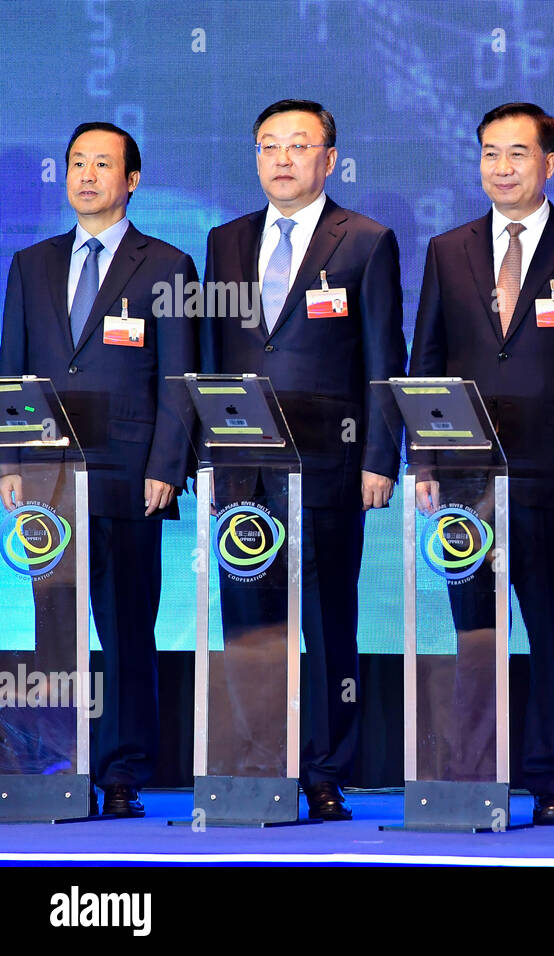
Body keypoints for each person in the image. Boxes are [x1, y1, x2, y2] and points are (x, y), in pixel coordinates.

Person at [410, 102, 554, 825]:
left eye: (516, 154)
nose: (500, 168)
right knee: (474, 633)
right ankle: (474, 773)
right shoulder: (449, 249)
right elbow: (428, 363)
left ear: (549, 164)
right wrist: (425, 462)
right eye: (489, 154)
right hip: (466, 480)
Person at [201, 99, 407, 820]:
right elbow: (213, 356)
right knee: (249, 624)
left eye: (298, 146)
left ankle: (322, 770)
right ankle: (258, 762)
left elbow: (385, 359)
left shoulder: (366, 241)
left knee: (326, 623)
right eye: (268, 146)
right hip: (241, 473)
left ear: (330, 159)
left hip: (331, 465)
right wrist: (208, 460)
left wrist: (381, 457)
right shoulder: (224, 242)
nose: (281, 159)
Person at [0, 122, 198, 816]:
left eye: (103, 164)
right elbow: (13, 373)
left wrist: (168, 465)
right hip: (46, 480)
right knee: (53, 625)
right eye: (77, 163)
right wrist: (9, 462)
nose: (87, 175)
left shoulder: (169, 265)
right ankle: (58, 764)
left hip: (129, 473)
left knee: (126, 627)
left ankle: (122, 772)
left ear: (131, 180)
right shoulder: (31, 264)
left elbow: (180, 378)